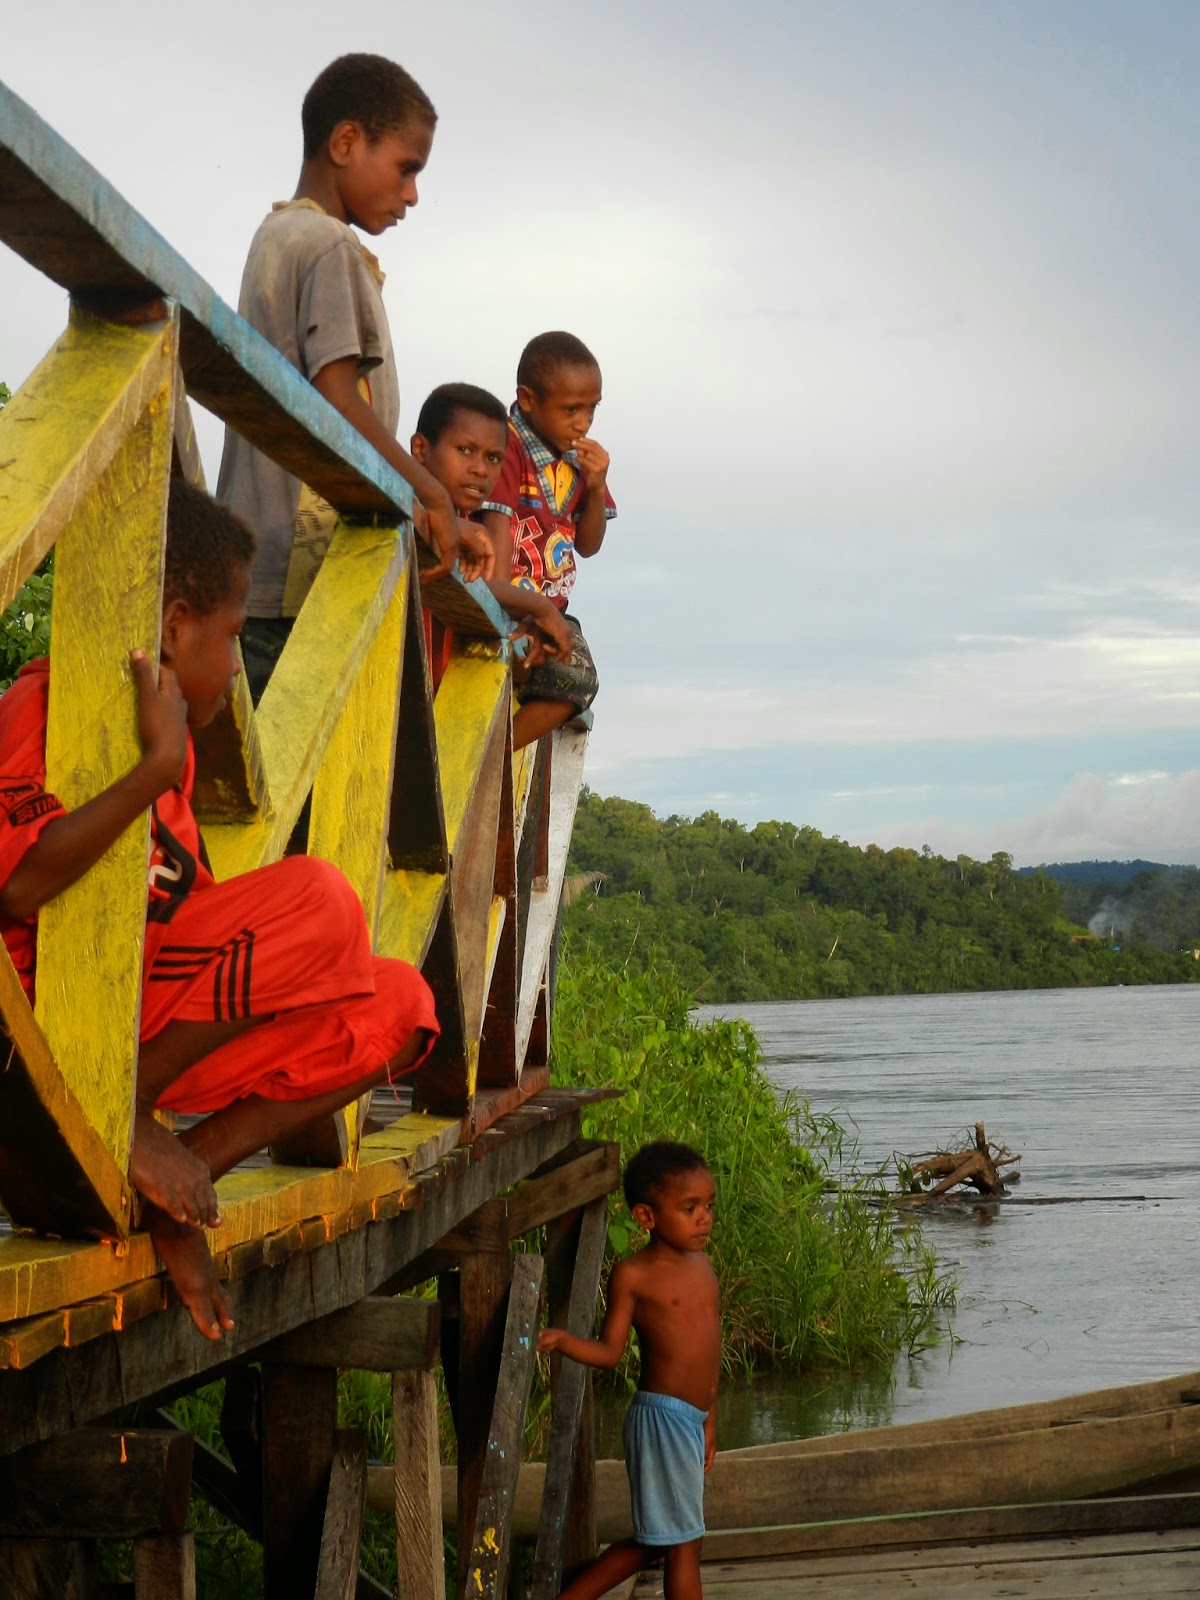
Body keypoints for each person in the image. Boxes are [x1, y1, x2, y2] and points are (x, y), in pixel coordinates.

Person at [0, 481, 439, 1342]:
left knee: (401, 1006)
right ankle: (118, 1117)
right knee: (321, 898)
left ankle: (183, 1180)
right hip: (40, 1062)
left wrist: (170, 765)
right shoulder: (42, 705)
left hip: (145, 1020)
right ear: (172, 626)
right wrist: (154, 770)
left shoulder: (173, 742)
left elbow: (203, 919)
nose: (237, 666)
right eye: (234, 636)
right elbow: (14, 887)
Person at [216, 52, 493, 702]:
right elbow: (336, 396)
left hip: (254, 568)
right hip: (301, 581)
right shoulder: (331, 246)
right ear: (346, 142)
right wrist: (434, 498)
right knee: (306, 797)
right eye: (406, 169)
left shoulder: (277, 233)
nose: (413, 194)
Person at [538, 1142, 719, 1600]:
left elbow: (708, 1352)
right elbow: (610, 1351)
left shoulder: (703, 1267)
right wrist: (563, 1341)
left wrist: (709, 1420)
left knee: (664, 1539)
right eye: (689, 1208)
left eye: (708, 1205)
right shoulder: (634, 1274)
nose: (704, 1218)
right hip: (661, 1419)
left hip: (691, 1421)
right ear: (646, 1216)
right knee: (680, 1544)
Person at [480, 331, 615, 747]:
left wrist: (596, 487)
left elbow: (589, 545)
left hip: (547, 610)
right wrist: (511, 612)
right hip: (502, 601)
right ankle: (485, 758)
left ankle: (492, 755)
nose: (583, 423)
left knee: (579, 682)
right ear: (528, 400)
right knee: (567, 673)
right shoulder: (505, 447)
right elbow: (495, 525)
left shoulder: (576, 461)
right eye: (571, 409)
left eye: (591, 409)